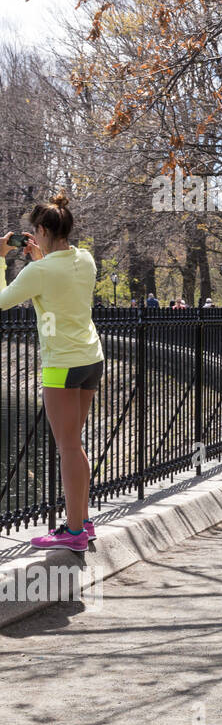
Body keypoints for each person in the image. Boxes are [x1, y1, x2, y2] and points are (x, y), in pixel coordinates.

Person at [1, 195, 105, 552]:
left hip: (62, 364)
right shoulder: (85, 259)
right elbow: (62, 283)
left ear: (42, 230)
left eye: (34, 231)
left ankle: (73, 532)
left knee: (68, 446)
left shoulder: (39, 271)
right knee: (75, 444)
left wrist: (0, 257)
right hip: (91, 358)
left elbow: (2, 300)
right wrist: (40, 260)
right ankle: (83, 521)